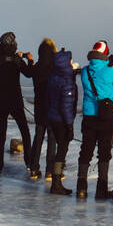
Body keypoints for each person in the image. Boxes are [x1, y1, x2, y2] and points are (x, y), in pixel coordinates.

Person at [77, 41, 113, 201]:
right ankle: (101, 190)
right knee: (104, 153)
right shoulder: (110, 71)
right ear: (106, 54)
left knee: (86, 151)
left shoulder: (85, 71)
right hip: (106, 118)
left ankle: (81, 188)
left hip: (89, 116)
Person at [0, 32, 34, 178]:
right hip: (15, 99)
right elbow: (29, 73)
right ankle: (29, 163)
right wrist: (30, 60)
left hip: (1, 99)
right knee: (25, 131)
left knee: (1, 135)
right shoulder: (17, 60)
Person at [46, 49, 80, 195]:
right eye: (70, 60)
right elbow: (66, 106)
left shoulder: (55, 76)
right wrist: (70, 126)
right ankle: (56, 183)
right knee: (62, 151)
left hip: (53, 117)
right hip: (61, 120)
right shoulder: (66, 82)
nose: (72, 62)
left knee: (60, 149)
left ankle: (56, 179)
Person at [29, 39, 58, 181]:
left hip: (39, 106)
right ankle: (49, 171)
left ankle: (34, 169)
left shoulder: (37, 67)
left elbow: (29, 73)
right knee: (52, 139)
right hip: (52, 107)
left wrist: (29, 61)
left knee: (38, 137)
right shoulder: (55, 68)